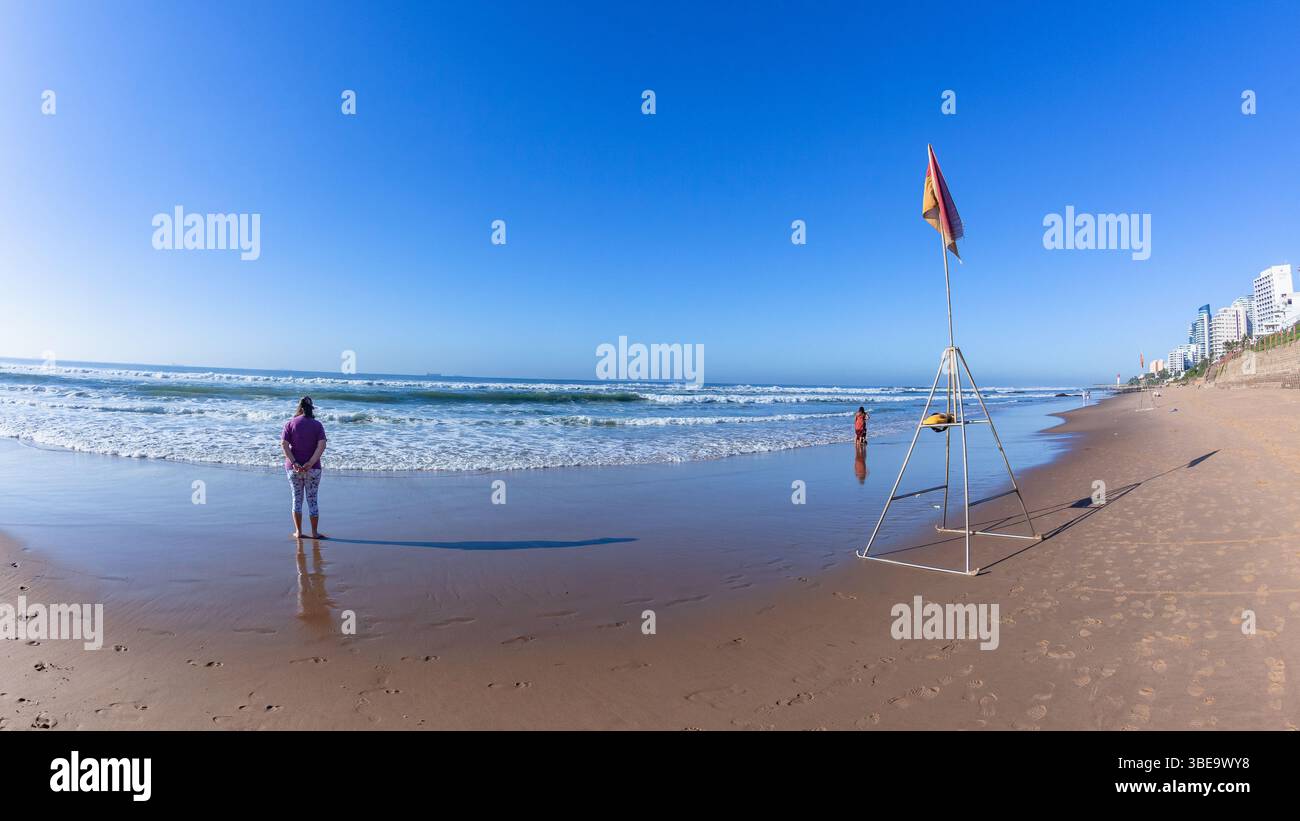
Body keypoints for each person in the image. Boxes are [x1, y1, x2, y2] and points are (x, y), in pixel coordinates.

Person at [281, 396, 328, 539]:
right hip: (313, 469)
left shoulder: (290, 424)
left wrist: (295, 462)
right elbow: (322, 445)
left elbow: (284, 445)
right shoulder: (317, 425)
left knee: (297, 499)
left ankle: (298, 532)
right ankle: (314, 533)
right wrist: (311, 462)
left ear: (299, 407)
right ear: (311, 408)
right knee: (312, 499)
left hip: (293, 468)